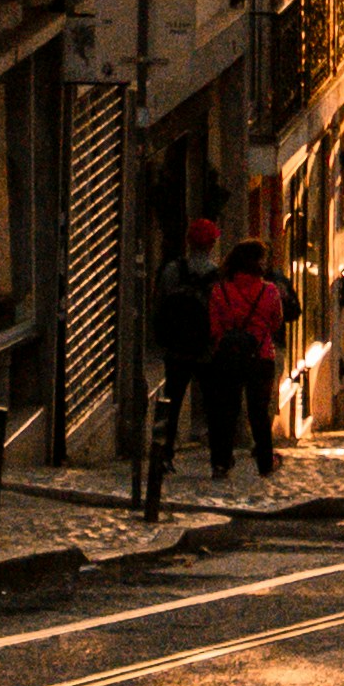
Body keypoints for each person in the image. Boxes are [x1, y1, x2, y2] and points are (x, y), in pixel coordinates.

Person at [202, 221, 289, 480]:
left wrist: (226, 339)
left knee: (225, 410)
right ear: (257, 263)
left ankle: (221, 462)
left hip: (227, 356)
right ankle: (265, 462)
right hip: (260, 357)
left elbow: (214, 325)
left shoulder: (220, 290)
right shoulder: (269, 290)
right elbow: (276, 322)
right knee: (258, 412)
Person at [145, 217, 217, 508]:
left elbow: (159, 302)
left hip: (175, 349)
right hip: (203, 349)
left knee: (170, 403)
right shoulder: (215, 275)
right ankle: (218, 459)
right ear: (211, 244)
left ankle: (163, 455)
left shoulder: (172, 270)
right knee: (213, 403)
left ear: (189, 241)